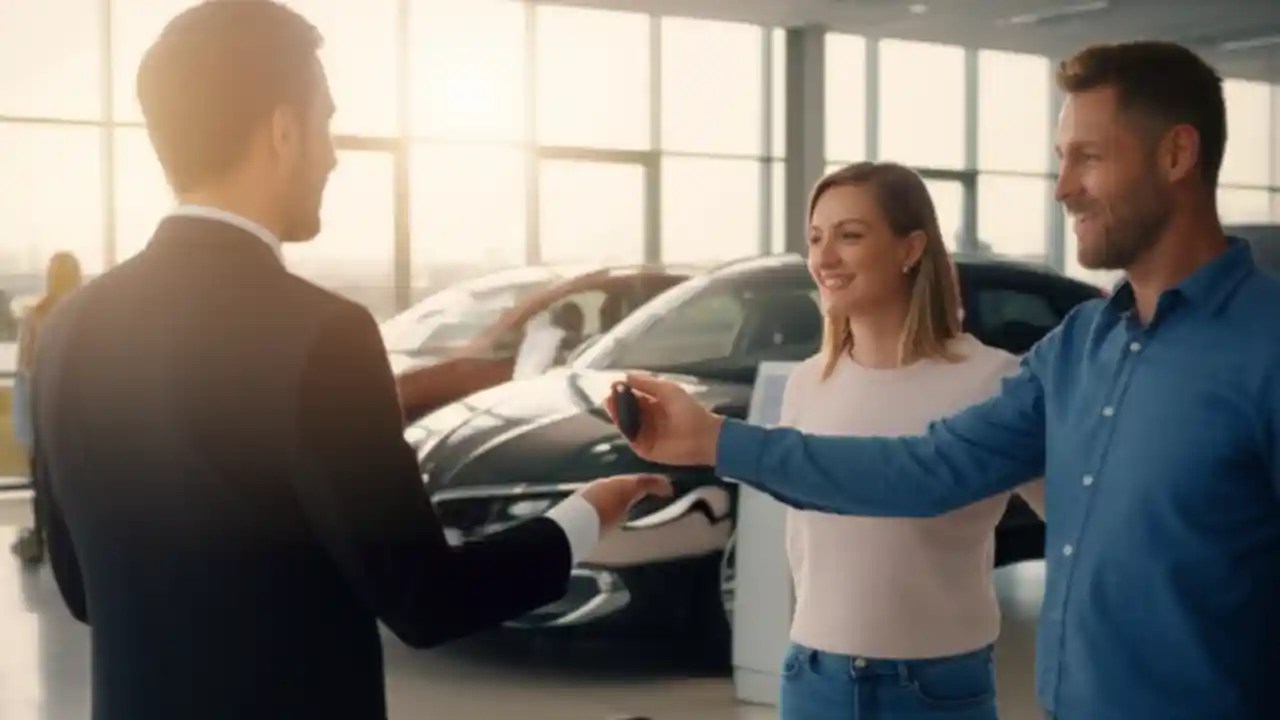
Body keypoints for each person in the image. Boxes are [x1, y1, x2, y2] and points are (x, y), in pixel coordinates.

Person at [30, 3, 669, 720]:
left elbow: (83, 590)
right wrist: (584, 515)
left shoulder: (68, 331)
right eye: (326, 121)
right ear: (282, 129)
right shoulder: (320, 334)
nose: (331, 154)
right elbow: (426, 601)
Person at [607, 41, 1280, 720]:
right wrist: (715, 441)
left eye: (1090, 157)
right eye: (1061, 159)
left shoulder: (1265, 348)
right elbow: (920, 471)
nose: (1062, 187)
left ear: (1176, 155)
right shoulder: (1077, 349)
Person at [768, 161, 1043, 719]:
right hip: (812, 680)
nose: (823, 258)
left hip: (937, 690)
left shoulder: (992, 379)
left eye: (849, 236)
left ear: (910, 248)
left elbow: (1076, 523)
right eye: (816, 238)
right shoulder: (805, 383)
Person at [9, 251, 81, 564]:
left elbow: (25, 368)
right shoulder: (85, 312)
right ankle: (76, 545)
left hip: (42, 407)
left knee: (43, 481)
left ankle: (40, 541)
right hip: (77, 411)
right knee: (76, 481)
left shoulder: (34, 316)